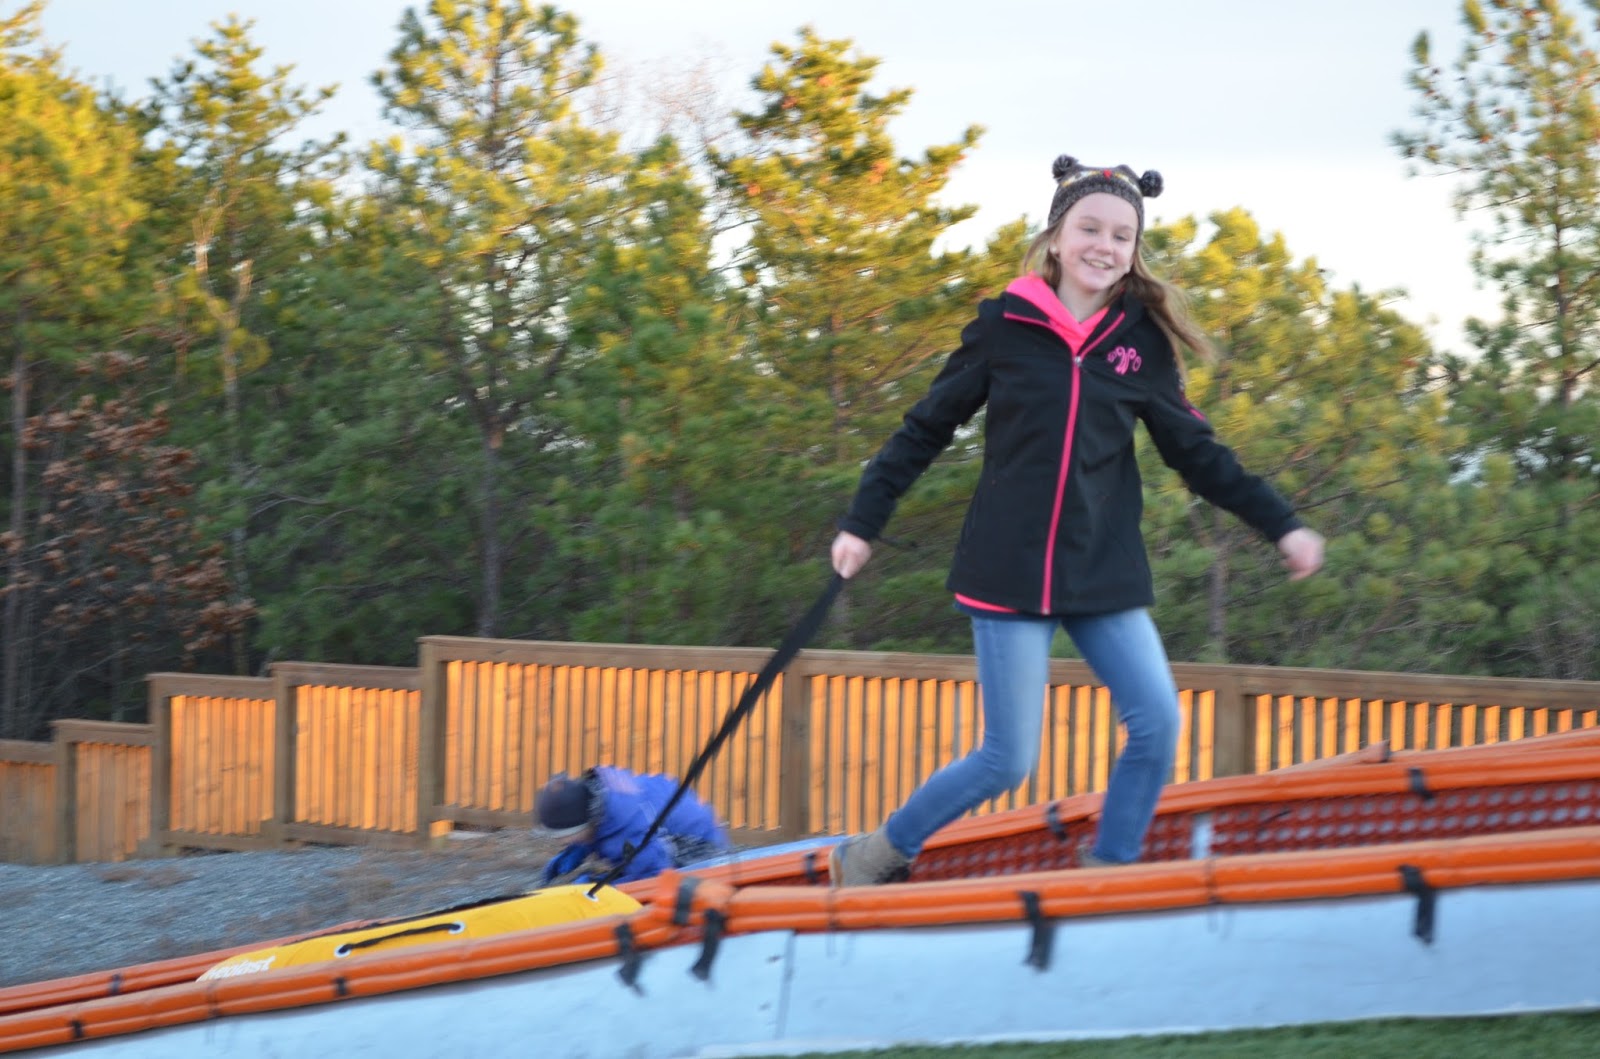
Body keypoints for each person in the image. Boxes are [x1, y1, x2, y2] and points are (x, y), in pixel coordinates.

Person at [827, 154, 1326, 886]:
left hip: (1100, 568)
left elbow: (1197, 454)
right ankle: (875, 854)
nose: (1104, 245)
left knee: (1157, 723)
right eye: (1090, 228)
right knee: (1007, 759)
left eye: (1122, 236)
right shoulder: (1004, 327)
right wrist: (861, 523)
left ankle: (1109, 873)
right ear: (1056, 238)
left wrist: (1282, 524)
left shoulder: (1141, 344)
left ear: (1134, 251)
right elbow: (924, 428)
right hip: (1009, 569)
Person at [534, 765, 730, 885]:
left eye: (566, 837)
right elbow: (596, 827)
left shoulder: (631, 832)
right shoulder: (596, 800)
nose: (562, 842)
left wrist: (603, 887)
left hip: (699, 847)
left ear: (585, 825)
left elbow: (653, 879)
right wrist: (578, 849)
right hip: (659, 832)